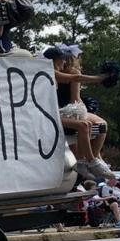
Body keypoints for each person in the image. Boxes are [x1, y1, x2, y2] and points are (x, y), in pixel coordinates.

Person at [49, 45, 111, 180]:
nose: (64, 62)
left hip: (54, 111)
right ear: (54, 60)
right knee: (86, 125)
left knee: (89, 125)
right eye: (61, 60)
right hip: (47, 114)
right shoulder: (49, 71)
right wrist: (99, 78)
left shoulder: (53, 72)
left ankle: (87, 161)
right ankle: (91, 161)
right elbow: (75, 79)